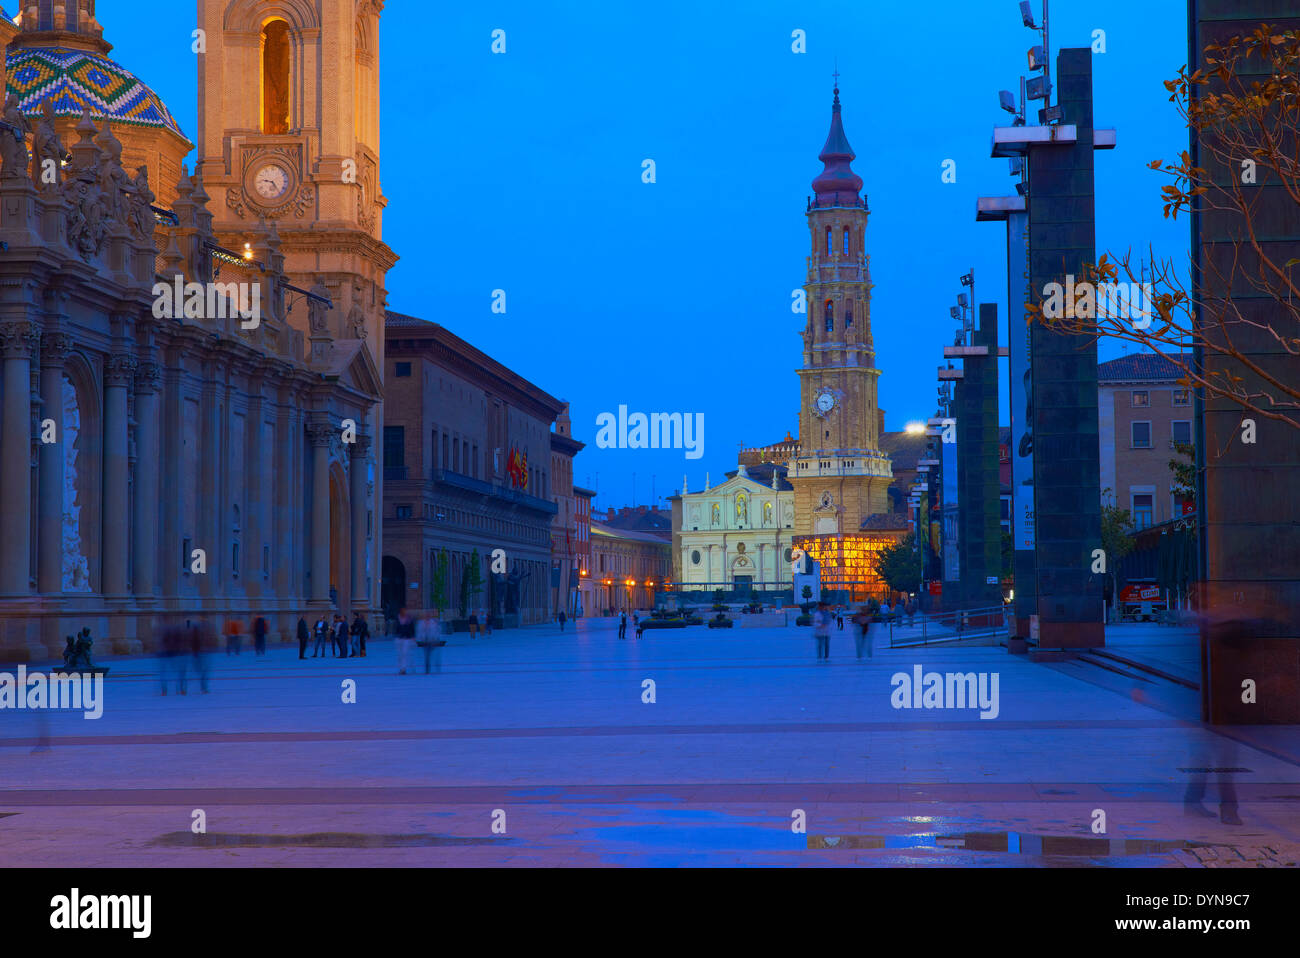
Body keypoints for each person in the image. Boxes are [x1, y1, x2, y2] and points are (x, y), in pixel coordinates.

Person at [394, 607, 416, 675]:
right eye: (402, 610)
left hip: (407, 638)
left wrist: (413, 636)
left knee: (404, 654)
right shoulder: (397, 618)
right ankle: (401, 668)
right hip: (399, 638)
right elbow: (396, 628)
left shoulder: (409, 619)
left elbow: (412, 628)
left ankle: (403, 669)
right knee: (400, 655)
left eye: (404, 610)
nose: (404, 612)